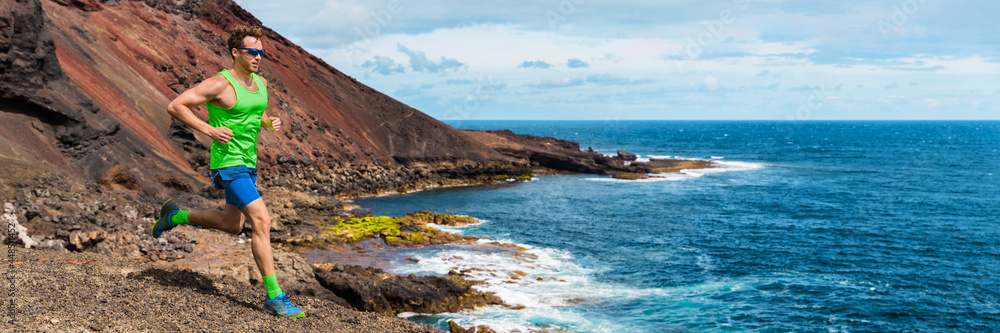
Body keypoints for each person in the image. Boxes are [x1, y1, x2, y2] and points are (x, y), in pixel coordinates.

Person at [152, 25, 304, 319]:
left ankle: (174, 216)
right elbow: (176, 106)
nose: (258, 57)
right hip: (228, 164)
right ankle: (275, 296)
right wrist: (208, 129)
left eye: (261, 52)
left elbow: (252, 114)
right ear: (236, 52)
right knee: (262, 219)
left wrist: (267, 123)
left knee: (231, 224)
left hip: (249, 163)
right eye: (252, 52)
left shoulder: (260, 83)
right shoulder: (219, 84)